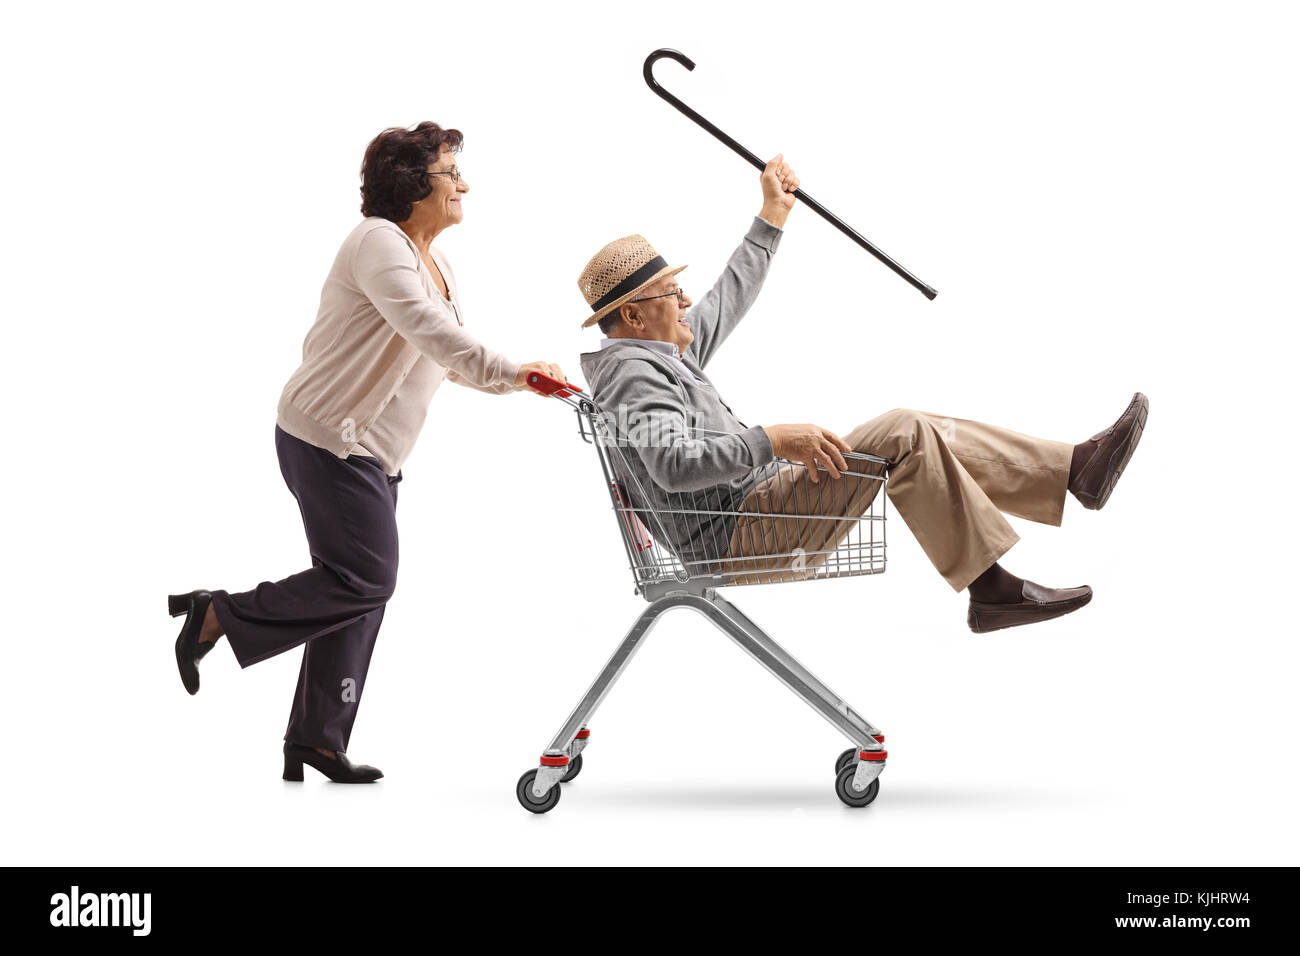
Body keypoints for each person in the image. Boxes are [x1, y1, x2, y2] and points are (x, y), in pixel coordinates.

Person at [575, 153, 1148, 633]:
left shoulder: (664, 357)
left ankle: (1038, 522)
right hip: (740, 530)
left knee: (913, 433)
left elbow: (728, 297)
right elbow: (673, 466)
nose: (686, 300)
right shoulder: (632, 376)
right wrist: (770, 441)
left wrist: (772, 215)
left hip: (758, 508)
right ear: (633, 313)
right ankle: (1054, 496)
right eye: (671, 292)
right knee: (902, 428)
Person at [168, 122, 567, 782]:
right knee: (367, 579)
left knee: (358, 593)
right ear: (411, 184)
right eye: (450, 172)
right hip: (329, 439)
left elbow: (448, 359)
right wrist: (514, 371)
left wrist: (518, 382)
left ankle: (317, 741)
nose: (464, 183)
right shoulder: (379, 244)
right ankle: (216, 615)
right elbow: (432, 332)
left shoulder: (437, 263)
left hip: (375, 455)